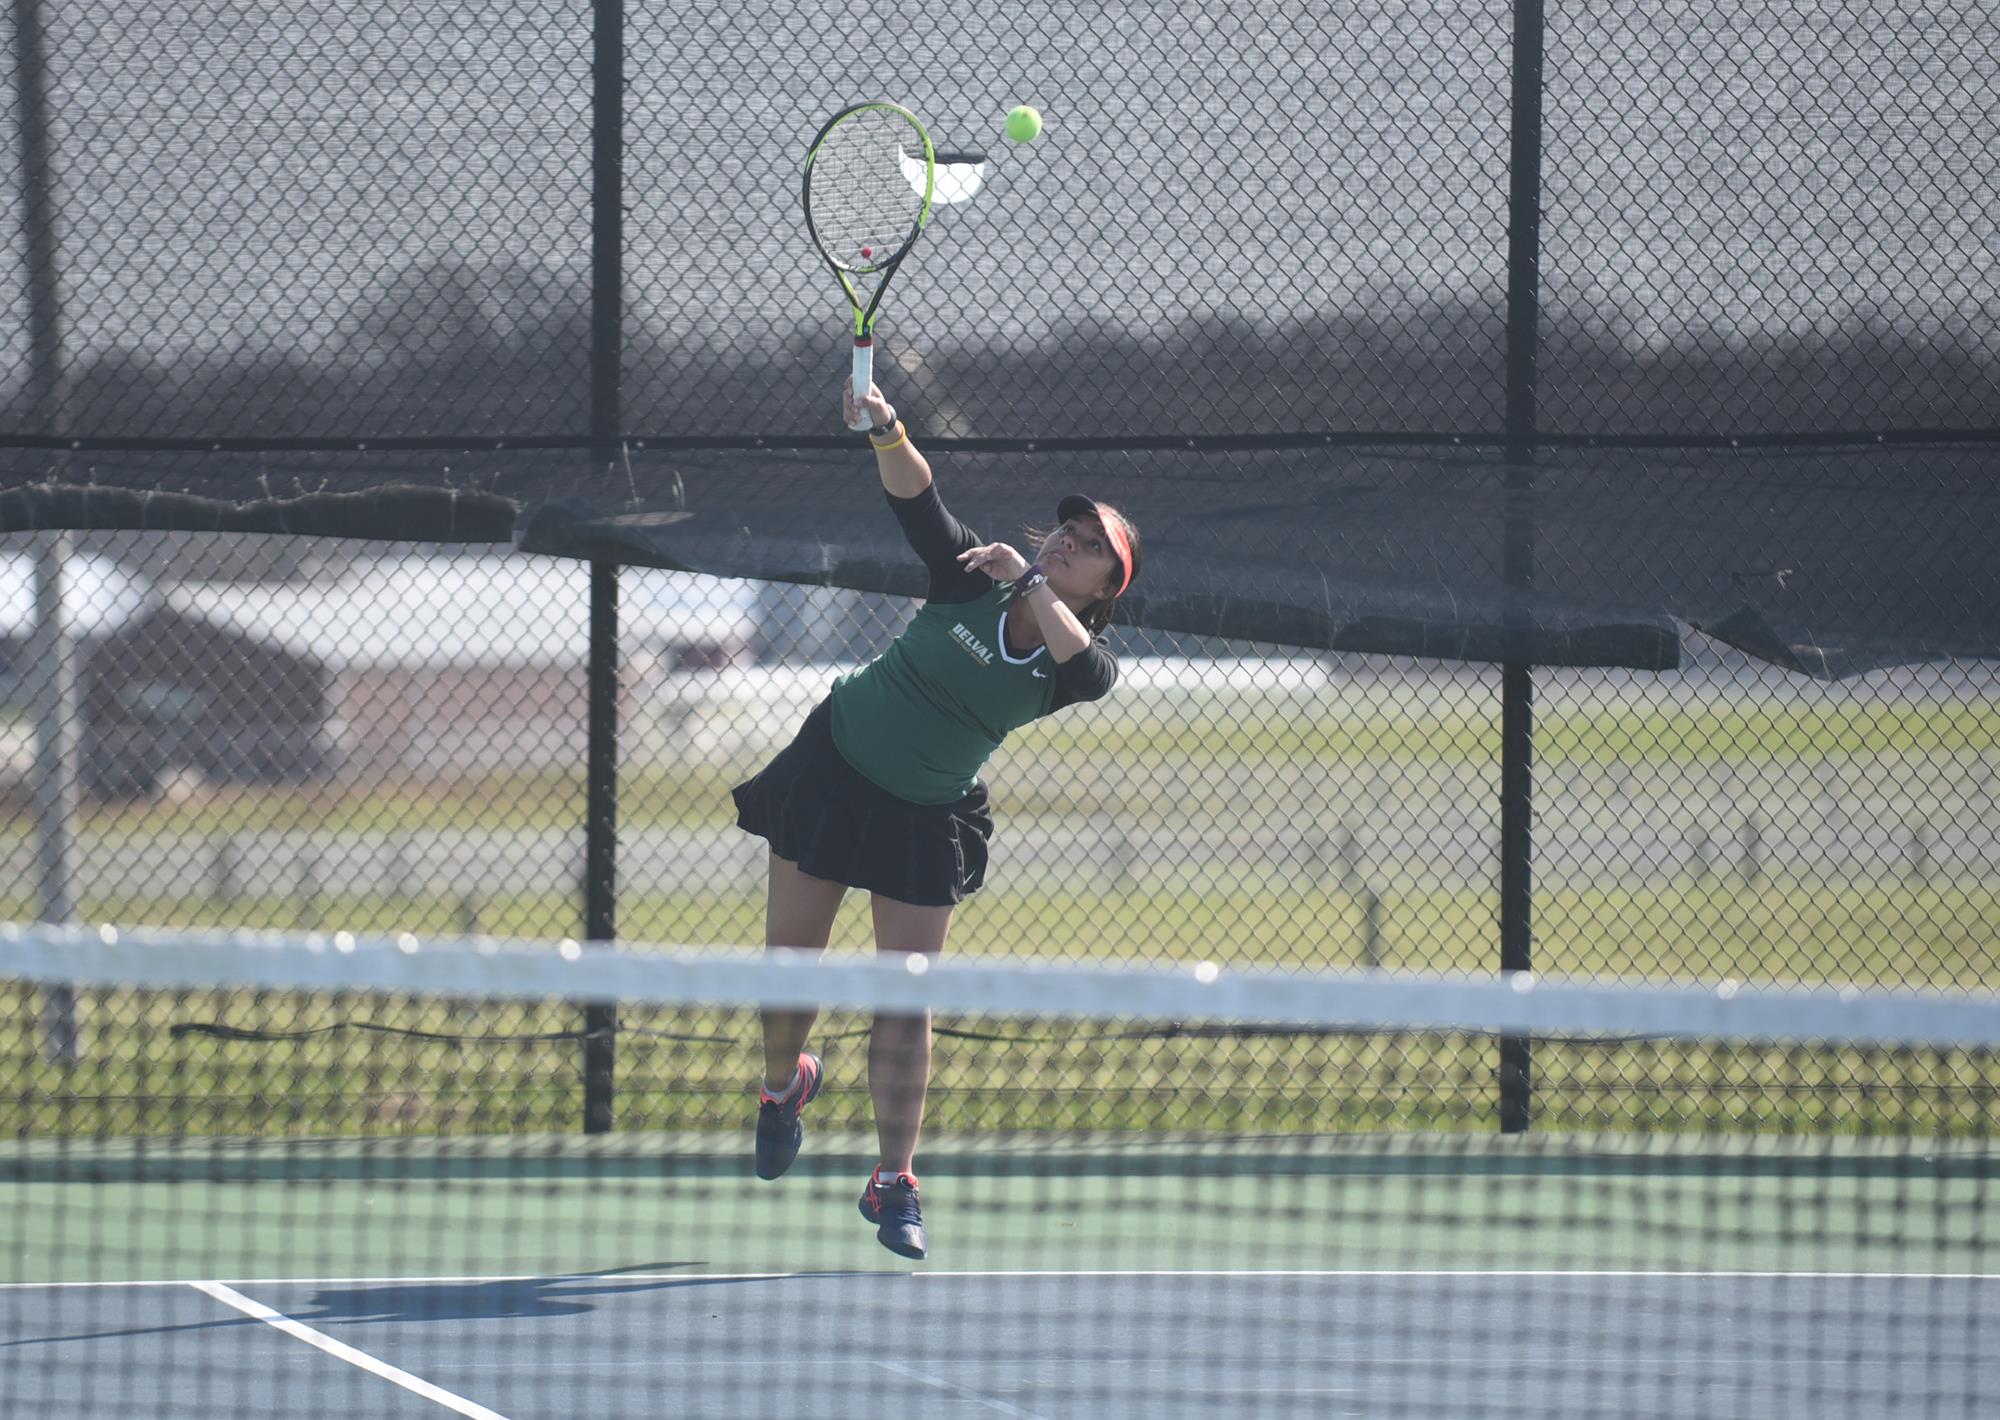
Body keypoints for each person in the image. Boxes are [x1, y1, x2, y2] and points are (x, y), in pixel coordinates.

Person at [731, 378, 1143, 1259]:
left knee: (904, 996)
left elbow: (1096, 675)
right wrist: (885, 426)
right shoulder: (969, 580)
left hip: (925, 818)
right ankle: (781, 1087)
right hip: (833, 769)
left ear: (1106, 588)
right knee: (789, 974)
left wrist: (1031, 579)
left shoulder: (1072, 661)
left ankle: (893, 1183)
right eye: (1067, 529)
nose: (1070, 538)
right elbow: (918, 497)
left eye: (1090, 544)